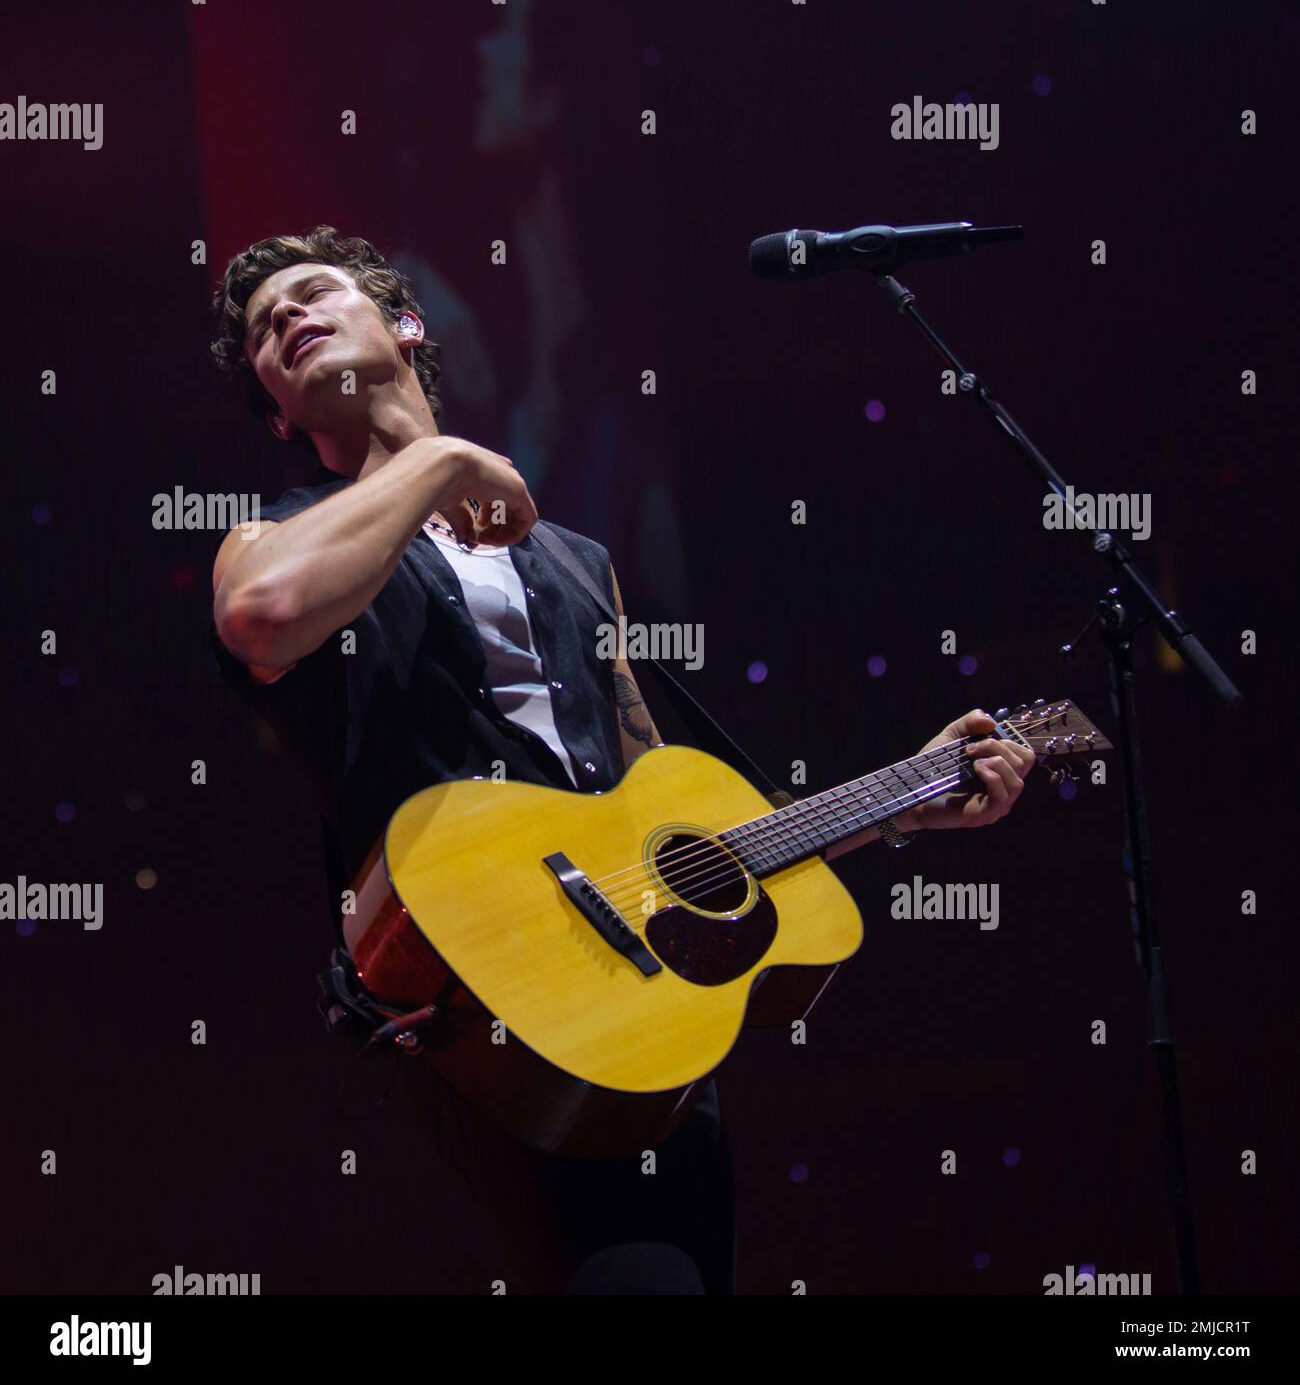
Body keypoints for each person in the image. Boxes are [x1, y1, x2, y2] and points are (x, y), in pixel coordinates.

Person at [206, 225, 1036, 1294]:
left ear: (404, 326)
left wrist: (899, 802)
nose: (286, 321)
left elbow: (661, 809)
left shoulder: (576, 561)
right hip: (468, 1003)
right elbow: (266, 616)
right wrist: (444, 461)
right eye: (267, 331)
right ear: (278, 410)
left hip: (636, 999)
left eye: (311, 295)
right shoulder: (273, 537)